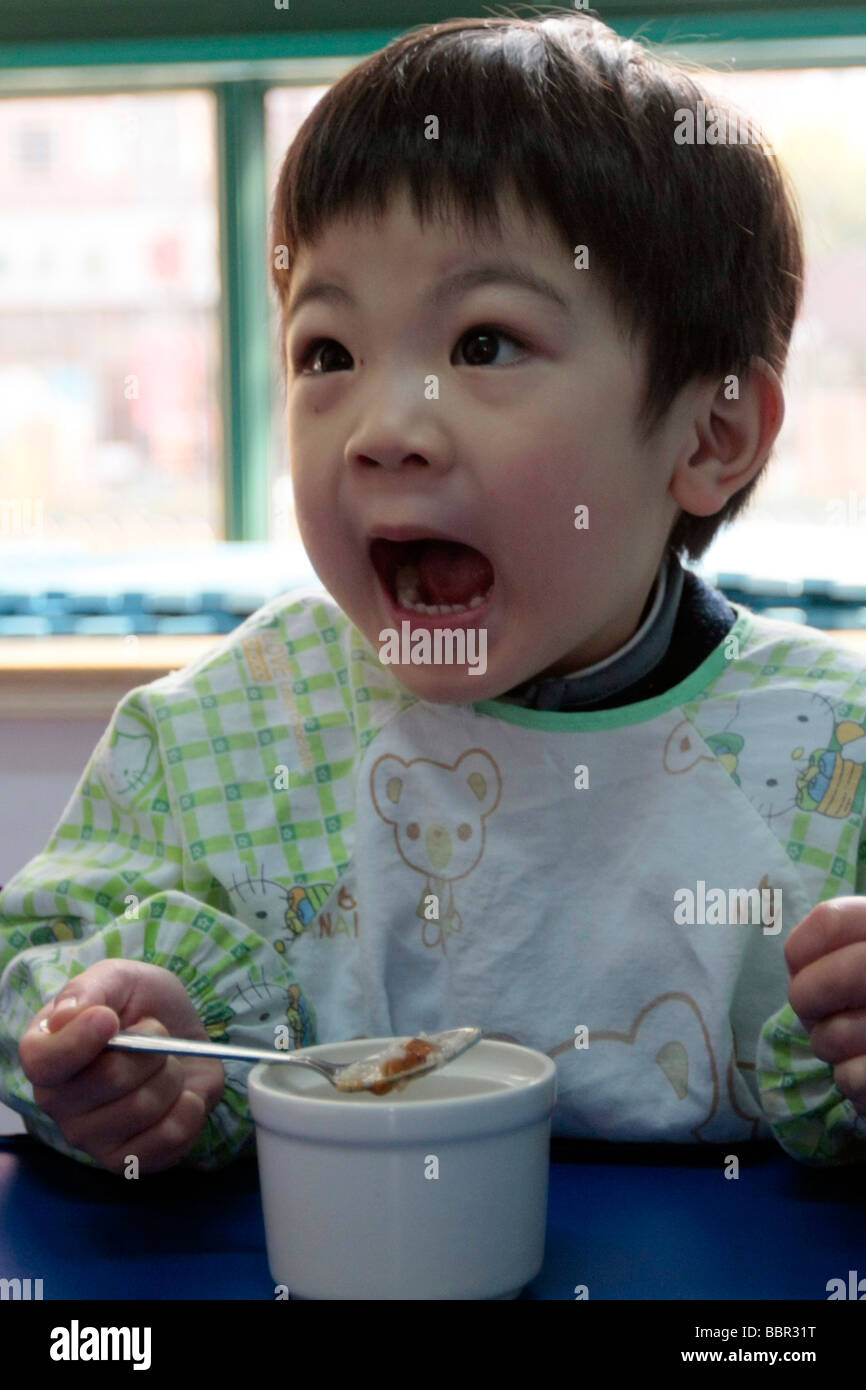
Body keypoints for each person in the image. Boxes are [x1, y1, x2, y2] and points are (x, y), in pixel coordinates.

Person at [3, 12, 866, 1176]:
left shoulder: (832, 759)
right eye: (327, 353)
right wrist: (114, 1051)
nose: (384, 430)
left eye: (484, 345)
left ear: (707, 434)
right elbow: (43, 973)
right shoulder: (224, 738)